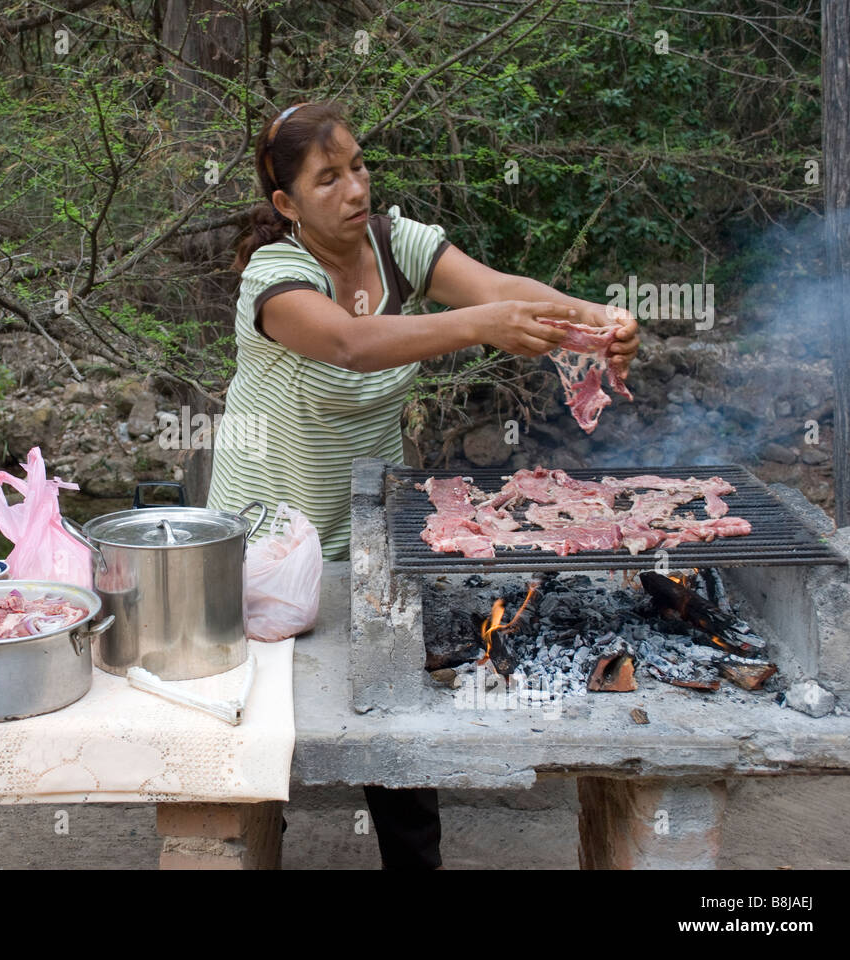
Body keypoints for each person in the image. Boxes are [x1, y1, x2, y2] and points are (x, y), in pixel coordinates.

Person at [205, 101, 640, 869]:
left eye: (359, 166)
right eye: (328, 178)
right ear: (287, 204)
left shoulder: (395, 242)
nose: (354, 188)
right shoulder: (275, 278)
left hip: (364, 524)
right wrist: (481, 325)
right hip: (269, 541)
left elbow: (497, 284)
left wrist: (595, 318)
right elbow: (350, 342)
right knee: (250, 719)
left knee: (389, 712)